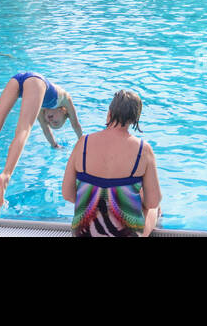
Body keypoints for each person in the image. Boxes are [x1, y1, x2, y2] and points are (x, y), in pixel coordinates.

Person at [0, 73, 83, 208]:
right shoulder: (65, 99)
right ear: (63, 112)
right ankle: (5, 176)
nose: (50, 121)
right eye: (56, 122)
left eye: (52, 123)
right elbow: (76, 124)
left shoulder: (41, 108)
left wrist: (55, 145)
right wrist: (83, 143)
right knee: (23, 131)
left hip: (18, 78)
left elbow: (45, 130)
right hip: (36, 81)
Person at [64, 89, 162, 237]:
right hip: (124, 233)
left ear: (109, 113)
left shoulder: (83, 143)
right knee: (155, 208)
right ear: (135, 119)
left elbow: (68, 194)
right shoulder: (144, 149)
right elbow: (152, 202)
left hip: (84, 233)